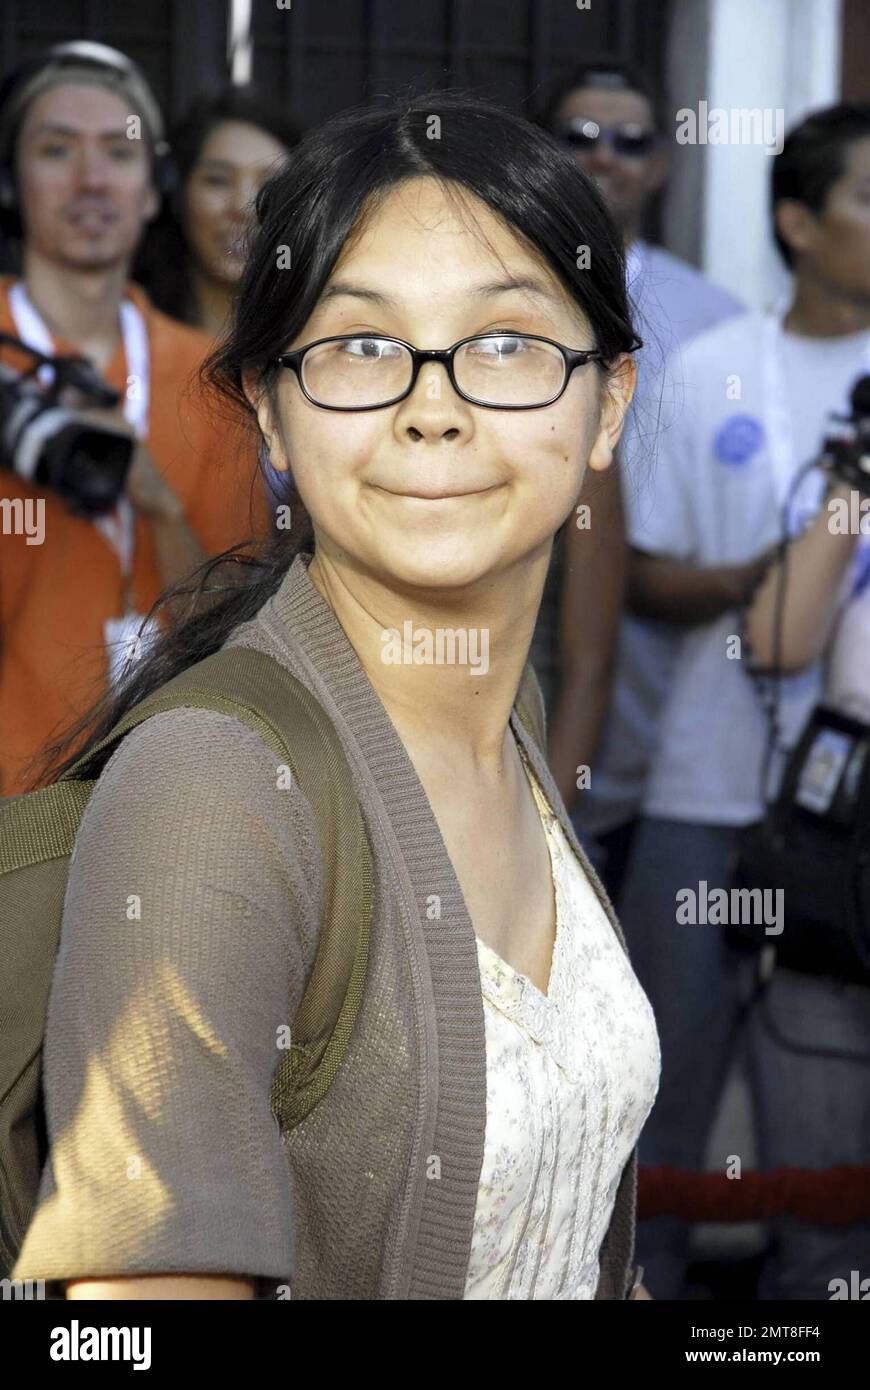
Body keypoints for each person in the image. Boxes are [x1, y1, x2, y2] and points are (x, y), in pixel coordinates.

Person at [11, 89, 659, 1301]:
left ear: (605, 404)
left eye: (508, 343)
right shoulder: (213, 789)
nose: (432, 406)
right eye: (361, 346)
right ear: (268, 411)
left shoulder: (502, 728)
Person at [618, 103, 870, 1299]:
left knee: (827, 1133)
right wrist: (761, 586)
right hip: (704, 790)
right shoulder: (713, 364)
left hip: (848, 829)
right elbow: (640, 570)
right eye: (868, 198)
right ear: (797, 223)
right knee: (658, 1107)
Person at [0, 43, 275, 796]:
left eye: (117, 153)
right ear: (12, 183)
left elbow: (228, 636)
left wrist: (154, 502)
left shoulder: (212, 378)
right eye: (56, 150)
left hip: (151, 805)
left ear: (152, 189)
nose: (90, 179)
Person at [534, 59, 743, 891]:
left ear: (660, 165)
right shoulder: (492, 296)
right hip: (520, 705)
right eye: (580, 137)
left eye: (630, 141)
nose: (605, 156)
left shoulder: (714, 321)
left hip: (667, 737)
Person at [133, 86, 297, 337]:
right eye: (218, 180)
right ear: (177, 195)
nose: (244, 207)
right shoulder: (131, 335)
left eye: (270, 185)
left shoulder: (321, 340)